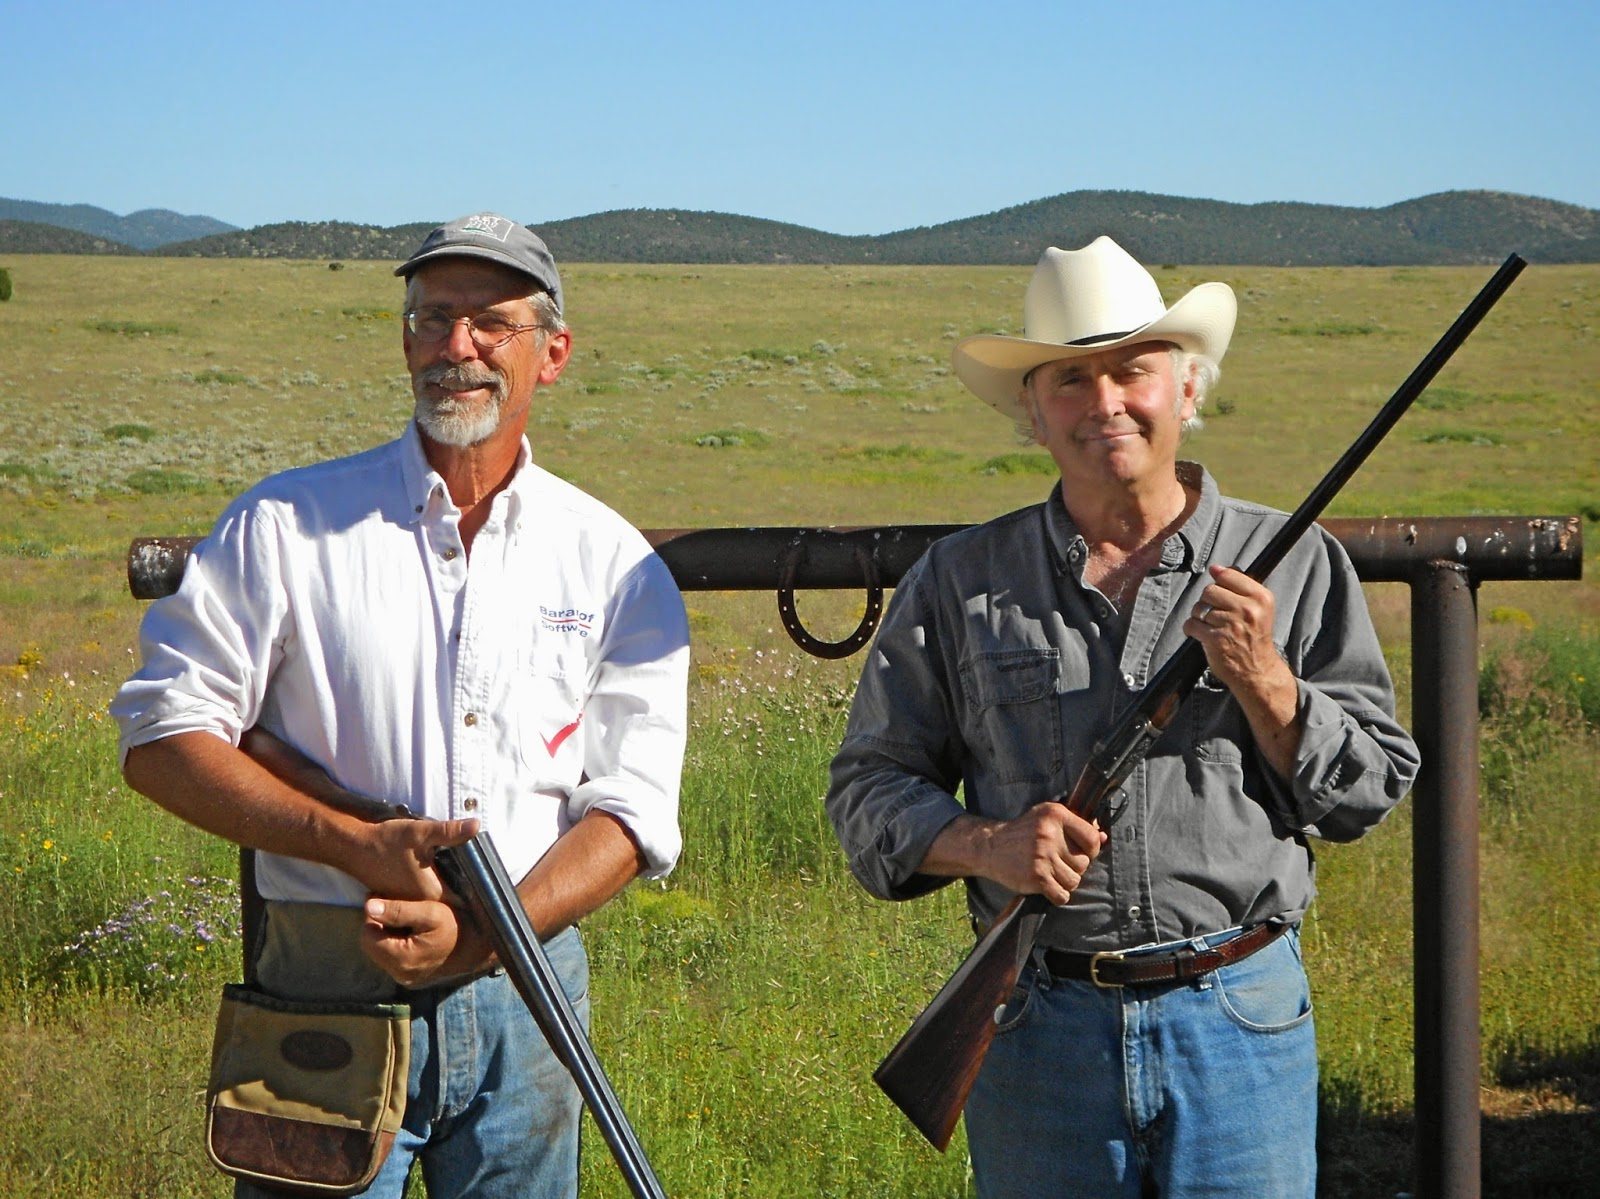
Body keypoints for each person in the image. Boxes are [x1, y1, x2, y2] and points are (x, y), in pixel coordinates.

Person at [825, 235, 1419, 1197]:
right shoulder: (961, 579)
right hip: (1035, 1027)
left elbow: (1373, 789)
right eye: (1070, 378)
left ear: (1187, 389)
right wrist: (987, 845)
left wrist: (1268, 681)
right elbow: (865, 792)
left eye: (1132, 372)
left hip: (1241, 1021)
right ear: (1032, 409)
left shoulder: (1295, 562)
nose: (1105, 403)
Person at [112, 213, 690, 1198]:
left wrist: (483, 936)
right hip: (321, 989)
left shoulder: (611, 558)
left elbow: (631, 812)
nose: (456, 346)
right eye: (432, 317)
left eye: (491, 323)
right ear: (405, 338)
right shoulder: (285, 522)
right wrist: (349, 842)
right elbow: (163, 736)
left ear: (552, 354)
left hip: (529, 987)